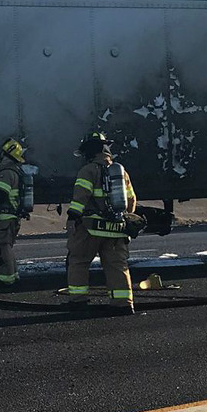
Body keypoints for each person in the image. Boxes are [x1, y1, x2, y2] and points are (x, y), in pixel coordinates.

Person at [66, 132, 138, 313]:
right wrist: (125, 219)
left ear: (89, 152)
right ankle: (123, 304)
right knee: (117, 265)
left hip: (91, 227)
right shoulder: (120, 172)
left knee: (79, 261)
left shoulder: (88, 170)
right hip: (116, 227)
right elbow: (131, 200)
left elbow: (80, 197)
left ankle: (78, 300)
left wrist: (73, 218)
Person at [0, 138, 26, 286]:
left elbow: (0, 195)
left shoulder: (7, 173)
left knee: (4, 247)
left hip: (5, 216)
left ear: (5, 155)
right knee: (6, 246)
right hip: (9, 216)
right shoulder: (12, 171)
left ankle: (7, 279)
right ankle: (12, 275)